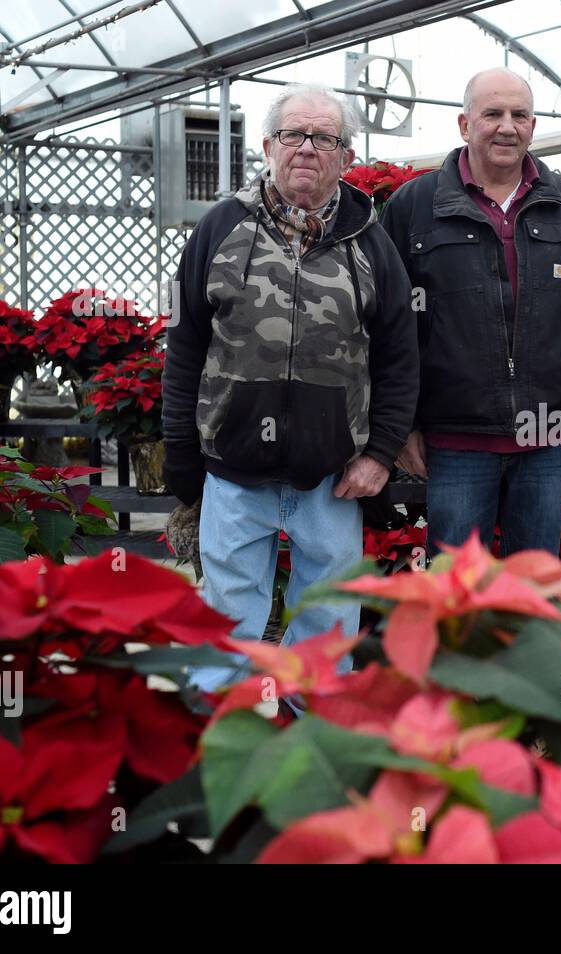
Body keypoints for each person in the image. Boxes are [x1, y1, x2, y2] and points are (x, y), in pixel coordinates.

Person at [161, 83, 418, 689]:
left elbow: (400, 360)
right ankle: (223, 756)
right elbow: (185, 346)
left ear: (345, 155)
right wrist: (181, 456)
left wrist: (381, 454)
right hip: (231, 469)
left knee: (327, 635)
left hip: (334, 478)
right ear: (269, 145)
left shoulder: (371, 243)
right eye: (294, 135)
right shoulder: (220, 228)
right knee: (224, 632)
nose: (307, 148)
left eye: (324, 138)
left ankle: (315, 761)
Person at [379, 68, 561, 557]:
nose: (507, 126)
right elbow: (386, 329)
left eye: (520, 115)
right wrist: (399, 427)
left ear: (531, 125)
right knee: (458, 601)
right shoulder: (413, 207)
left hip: (548, 441)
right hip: (457, 442)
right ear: (465, 125)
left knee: (533, 596)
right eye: (493, 114)